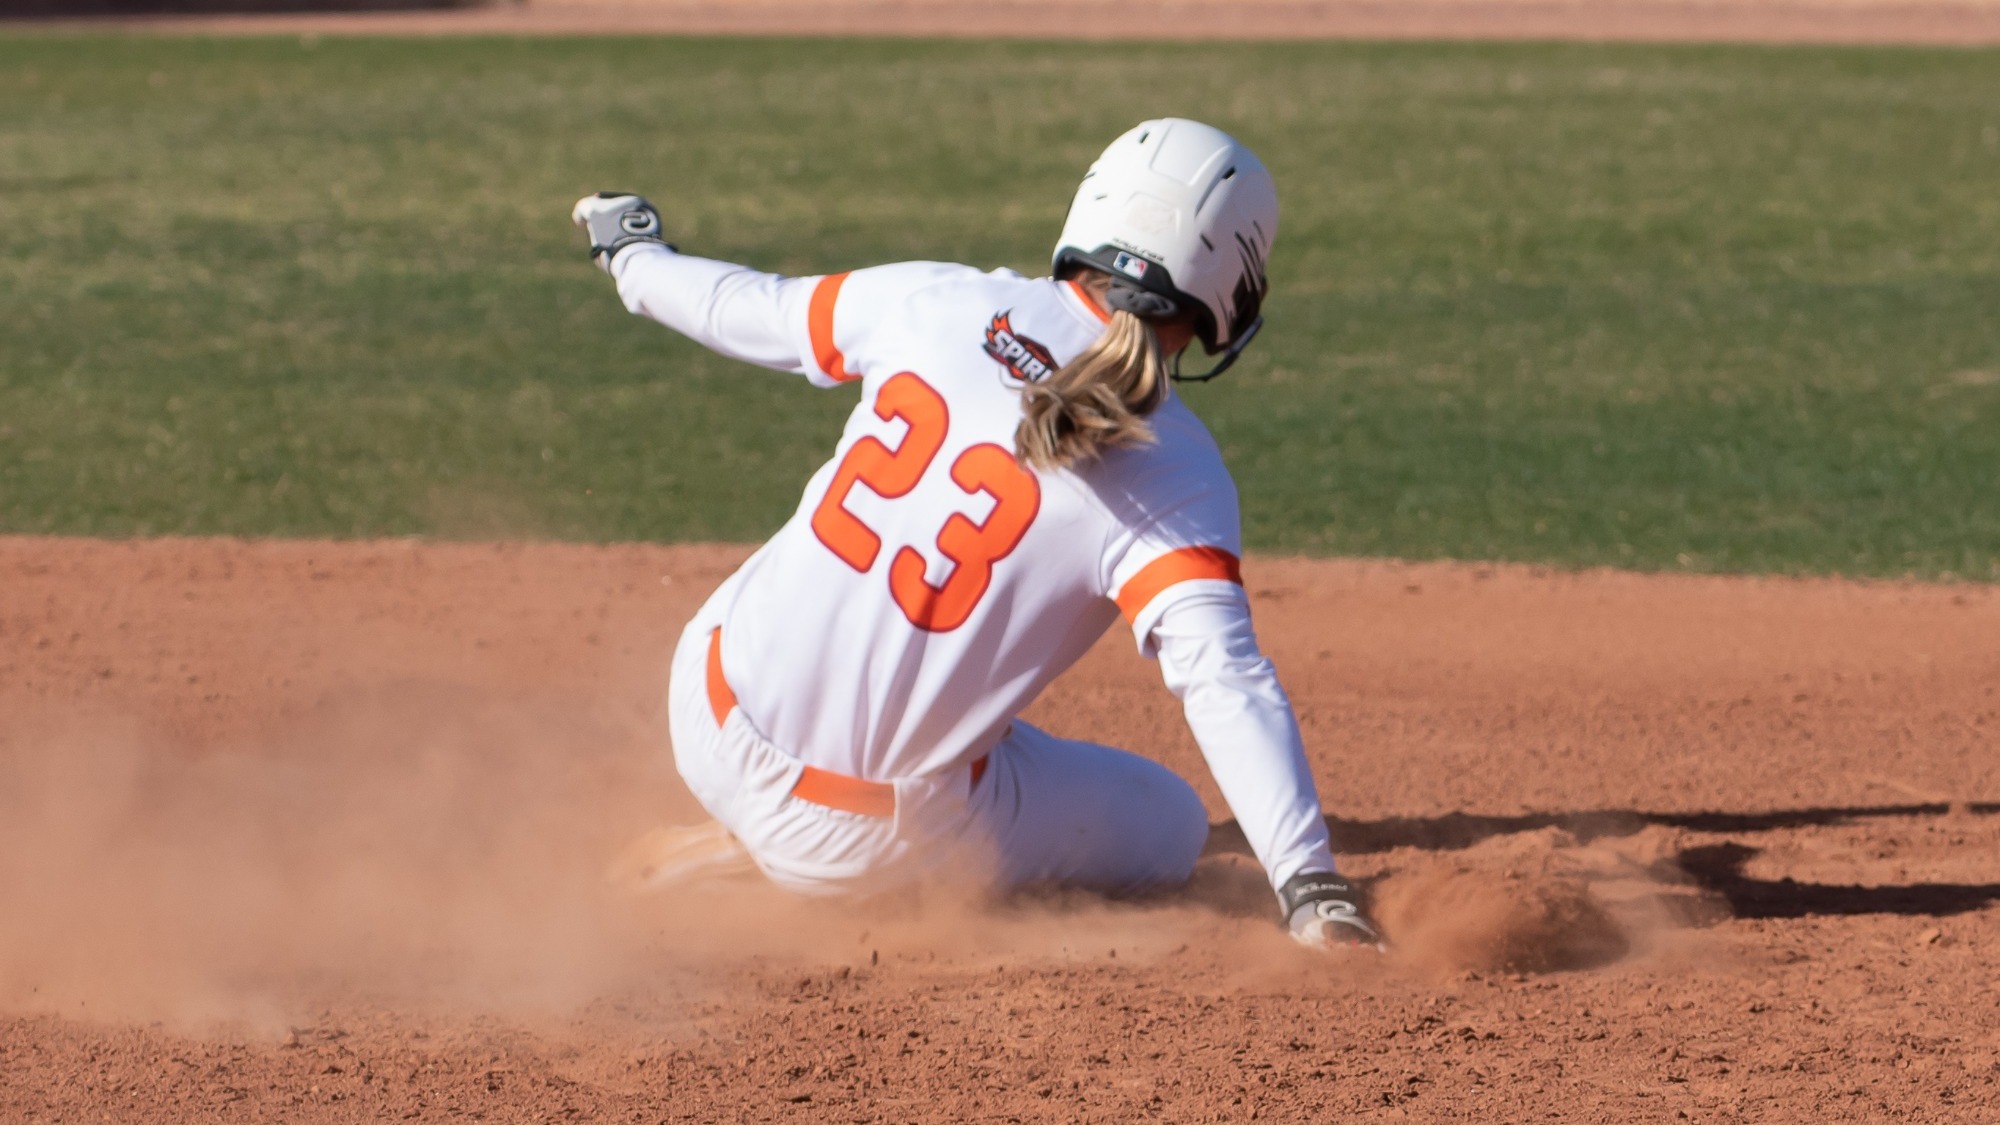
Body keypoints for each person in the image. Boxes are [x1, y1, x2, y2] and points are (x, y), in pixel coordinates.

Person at [572, 118, 1380, 949]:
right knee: (1171, 824)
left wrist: (634, 256)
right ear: (1233, 286)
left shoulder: (943, 297)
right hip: (848, 842)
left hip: (705, 705)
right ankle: (777, 863)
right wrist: (1311, 885)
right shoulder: (1174, 470)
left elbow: (753, 307)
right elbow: (1221, 679)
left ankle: (765, 826)